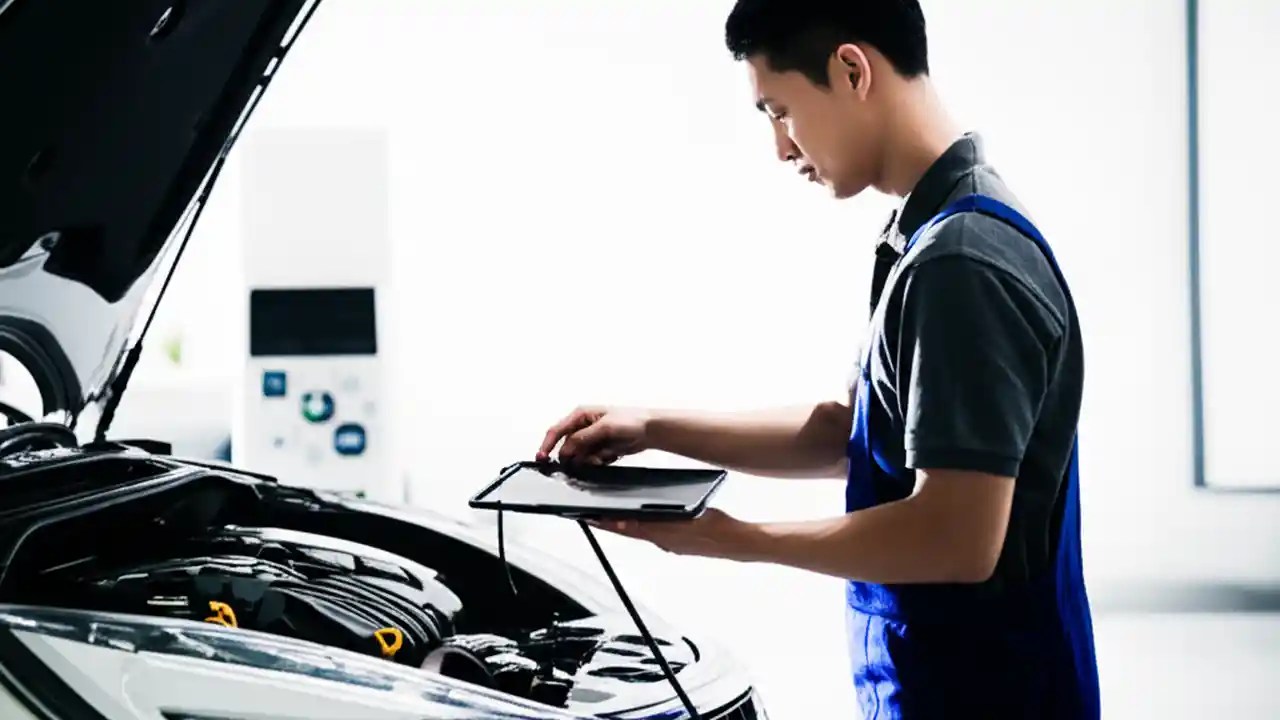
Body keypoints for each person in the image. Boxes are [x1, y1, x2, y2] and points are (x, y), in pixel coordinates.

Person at [535, 1, 1101, 718]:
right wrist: (652, 427)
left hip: (984, 696)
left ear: (851, 69)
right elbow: (853, 435)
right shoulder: (934, 232)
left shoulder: (963, 263)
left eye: (779, 110)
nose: (781, 146)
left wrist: (731, 540)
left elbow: (956, 537)